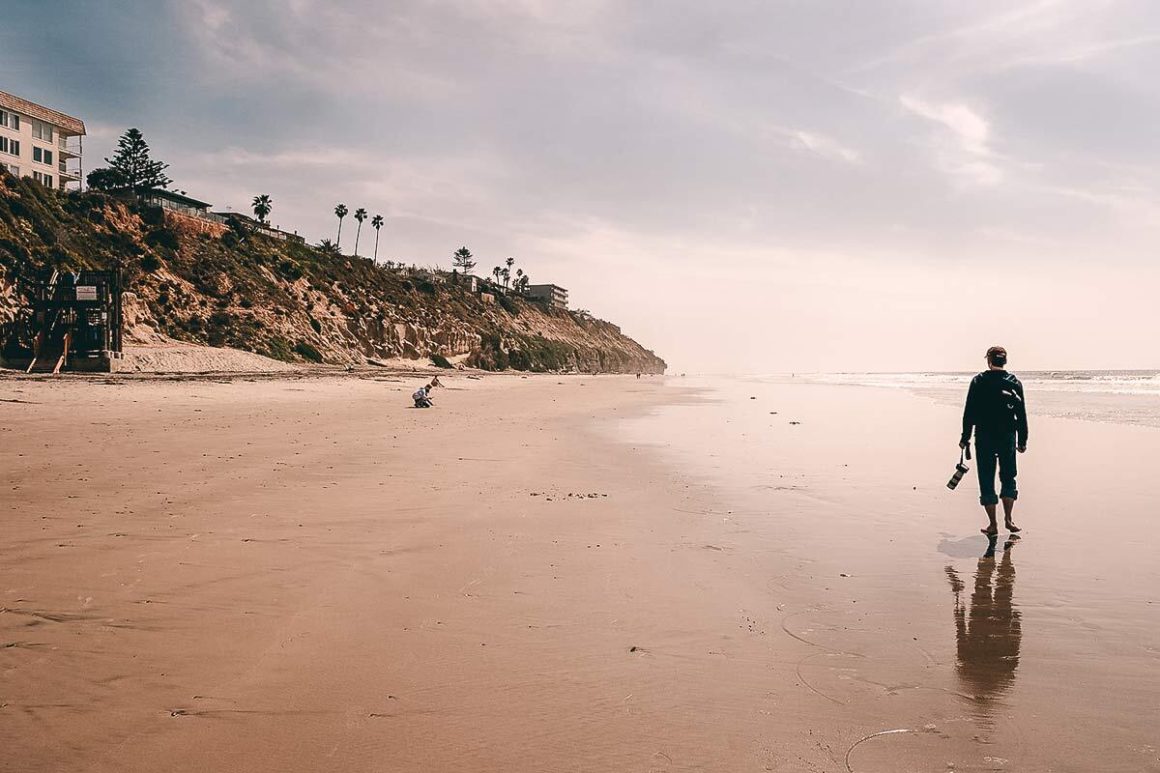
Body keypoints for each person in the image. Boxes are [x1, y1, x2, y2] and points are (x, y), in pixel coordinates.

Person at [959, 346, 1028, 536]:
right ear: (1004, 361)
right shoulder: (1014, 382)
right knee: (1008, 476)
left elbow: (969, 412)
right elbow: (1021, 414)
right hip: (1007, 437)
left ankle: (993, 525)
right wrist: (1023, 439)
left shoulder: (979, 381)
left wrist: (965, 437)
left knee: (987, 479)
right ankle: (1008, 519)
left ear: (989, 360)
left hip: (985, 438)